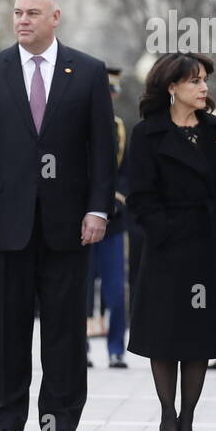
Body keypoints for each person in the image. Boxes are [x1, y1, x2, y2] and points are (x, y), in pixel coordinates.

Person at [0, 0, 116, 431]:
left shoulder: (87, 72)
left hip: (70, 224)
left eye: (32, 13)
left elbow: (102, 150)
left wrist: (97, 208)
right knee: (7, 326)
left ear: (55, 17)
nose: (22, 20)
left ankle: (59, 423)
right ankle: (5, 423)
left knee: (65, 329)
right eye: (17, 13)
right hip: (6, 223)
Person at [127, 53, 216, 431]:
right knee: (165, 335)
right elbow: (139, 195)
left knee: (199, 336)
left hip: (207, 248)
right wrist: (165, 231)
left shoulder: (215, 130)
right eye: (195, 81)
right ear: (172, 87)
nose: (204, 87)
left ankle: (187, 421)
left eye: (205, 80)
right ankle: (166, 416)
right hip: (165, 249)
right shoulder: (147, 134)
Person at [89, 66, 129, 369]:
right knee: (81, 289)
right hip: (80, 220)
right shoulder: (79, 123)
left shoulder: (118, 127)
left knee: (116, 291)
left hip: (113, 221)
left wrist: (116, 197)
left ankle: (116, 347)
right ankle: (81, 347)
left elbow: (126, 171)